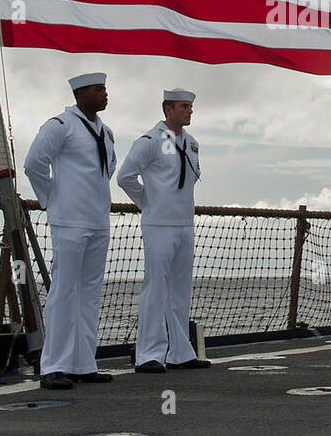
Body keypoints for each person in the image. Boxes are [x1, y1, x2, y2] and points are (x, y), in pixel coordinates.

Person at [22, 72, 117, 389]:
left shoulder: (105, 132)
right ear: (80, 94)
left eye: (104, 88)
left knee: (89, 295)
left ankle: (83, 363)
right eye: (98, 89)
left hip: (97, 220)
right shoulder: (59, 126)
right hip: (70, 220)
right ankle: (53, 366)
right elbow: (34, 162)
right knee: (64, 291)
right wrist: (52, 199)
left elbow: (107, 169)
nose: (105, 93)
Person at [117, 88, 211, 373]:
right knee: (156, 288)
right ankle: (148, 354)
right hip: (158, 224)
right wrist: (148, 203)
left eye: (191, 106)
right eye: (184, 106)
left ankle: (181, 353)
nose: (189, 111)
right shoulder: (149, 141)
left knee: (180, 291)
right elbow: (125, 177)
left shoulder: (192, 143)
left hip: (184, 223)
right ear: (167, 109)